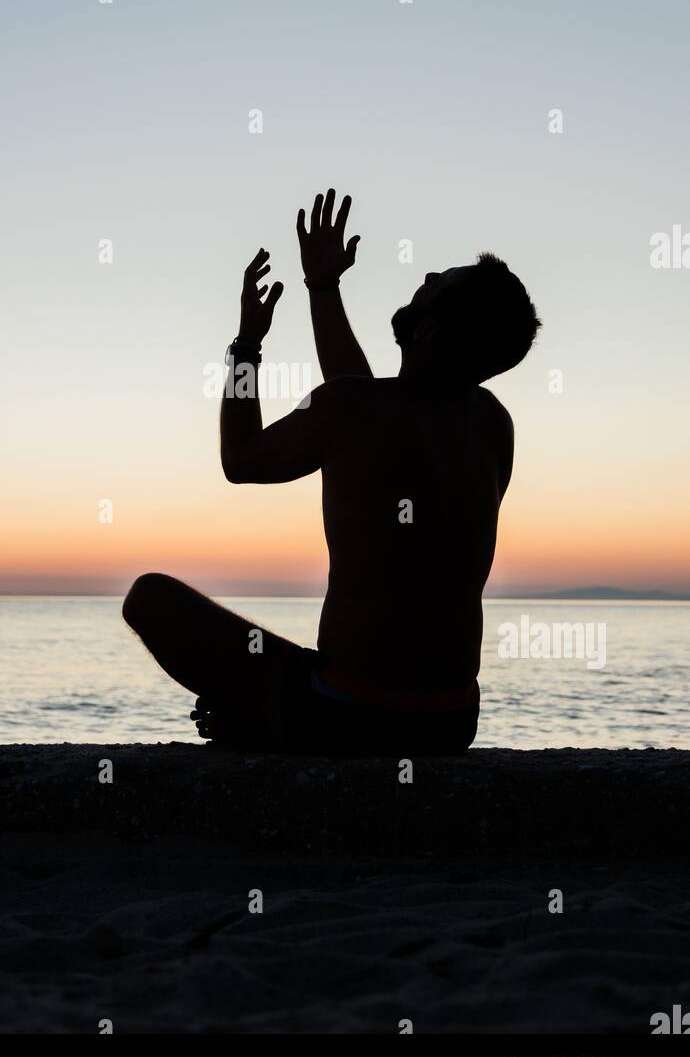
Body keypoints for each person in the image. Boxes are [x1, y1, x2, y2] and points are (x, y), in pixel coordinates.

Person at [122, 189, 540, 754]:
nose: (429, 272)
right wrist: (323, 288)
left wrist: (246, 344)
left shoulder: (354, 410)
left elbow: (240, 461)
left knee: (149, 598)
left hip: (351, 713)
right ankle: (267, 713)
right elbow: (366, 405)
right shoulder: (493, 426)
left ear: (428, 330)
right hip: (449, 721)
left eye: (439, 281)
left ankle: (264, 720)